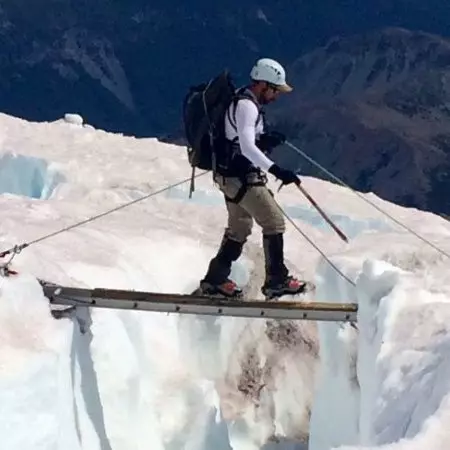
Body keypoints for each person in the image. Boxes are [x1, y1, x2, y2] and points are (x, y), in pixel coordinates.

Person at [199, 58, 306, 299]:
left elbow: (241, 139)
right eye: (275, 90)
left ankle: (215, 280)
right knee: (274, 222)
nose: (276, 96)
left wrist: (264, 140)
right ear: (264, 85)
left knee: (240, 228)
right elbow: (247, 148)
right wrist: (276, 170)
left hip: (229, 176)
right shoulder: (248, 106)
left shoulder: (242, 99)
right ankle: (276, 280)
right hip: (240, 177)